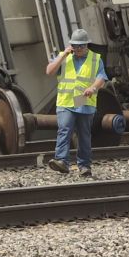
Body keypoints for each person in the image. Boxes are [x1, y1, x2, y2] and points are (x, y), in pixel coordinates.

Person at [44, 29, 106, 177]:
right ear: (70, 45)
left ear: (87, 45)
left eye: (81, 46)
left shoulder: (96, 59)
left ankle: (84, 166)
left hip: (85, 102)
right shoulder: (64, 57)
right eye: (75, 46)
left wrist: (93, 87)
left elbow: (101, 78)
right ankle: (62, 162)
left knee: (84, 135)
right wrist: (63, 55)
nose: (78, 49)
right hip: (66, 102)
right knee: (64, 129)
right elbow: (49, 71)